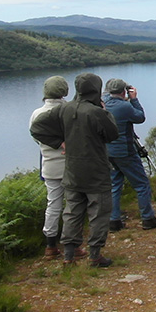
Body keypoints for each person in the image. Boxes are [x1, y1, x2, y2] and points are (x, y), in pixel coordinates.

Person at [30, 73, 119, 268]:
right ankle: (95, 255)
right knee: (99, 212)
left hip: (71, 171)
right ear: (96, 89)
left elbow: (37, 128)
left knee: (72, 212)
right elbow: (112, 134)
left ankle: (68, 256)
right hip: (96, 171)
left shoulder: (64, 109)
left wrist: (59, 142)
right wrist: (105, 112)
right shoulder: (96, 113)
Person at [29, 76, 85, 260]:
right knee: (73, 206)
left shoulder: (36, 114)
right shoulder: (69, 111)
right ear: (64, 91)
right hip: (71, 166)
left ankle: (50, 246)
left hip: (49, 165)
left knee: (53, 205)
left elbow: (37, 138)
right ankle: (74, 245)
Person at [104, 78, 156, 232]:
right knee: (142, 184)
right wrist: (134, 99)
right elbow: (140, 117)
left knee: (115, 184)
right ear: (123, 91)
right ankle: (148, 218)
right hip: (125, 151)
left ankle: (113, 220)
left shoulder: (103, 103)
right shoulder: (124, 107)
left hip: (108, 152)